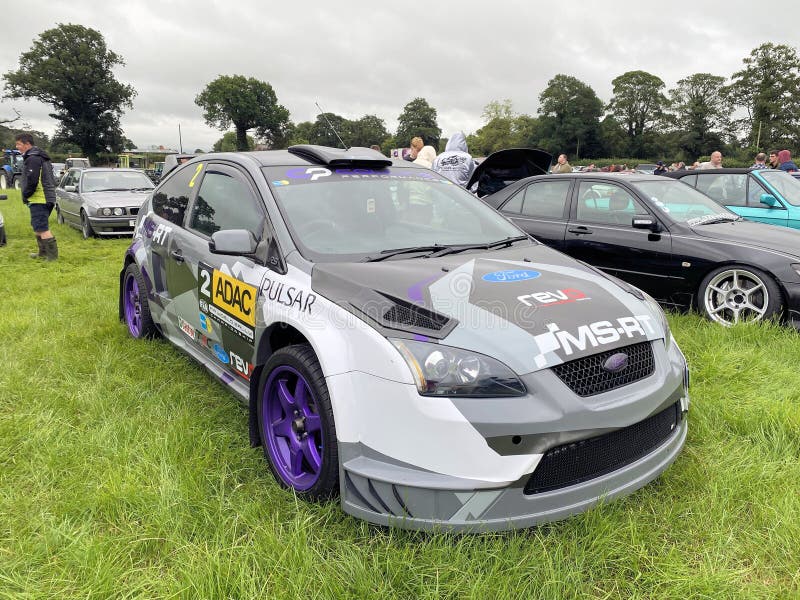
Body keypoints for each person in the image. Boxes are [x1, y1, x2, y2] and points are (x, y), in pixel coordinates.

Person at [15, 133, 58, 260]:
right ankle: (42, 253)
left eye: (19, 144)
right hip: (44, 197)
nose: (17, 147)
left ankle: (52, 257)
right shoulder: (39, 156)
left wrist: (25, 194)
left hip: (40, 198)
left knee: (42, 228)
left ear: (27, 144)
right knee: (38, 226)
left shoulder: (33, 158)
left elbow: (32, 181)